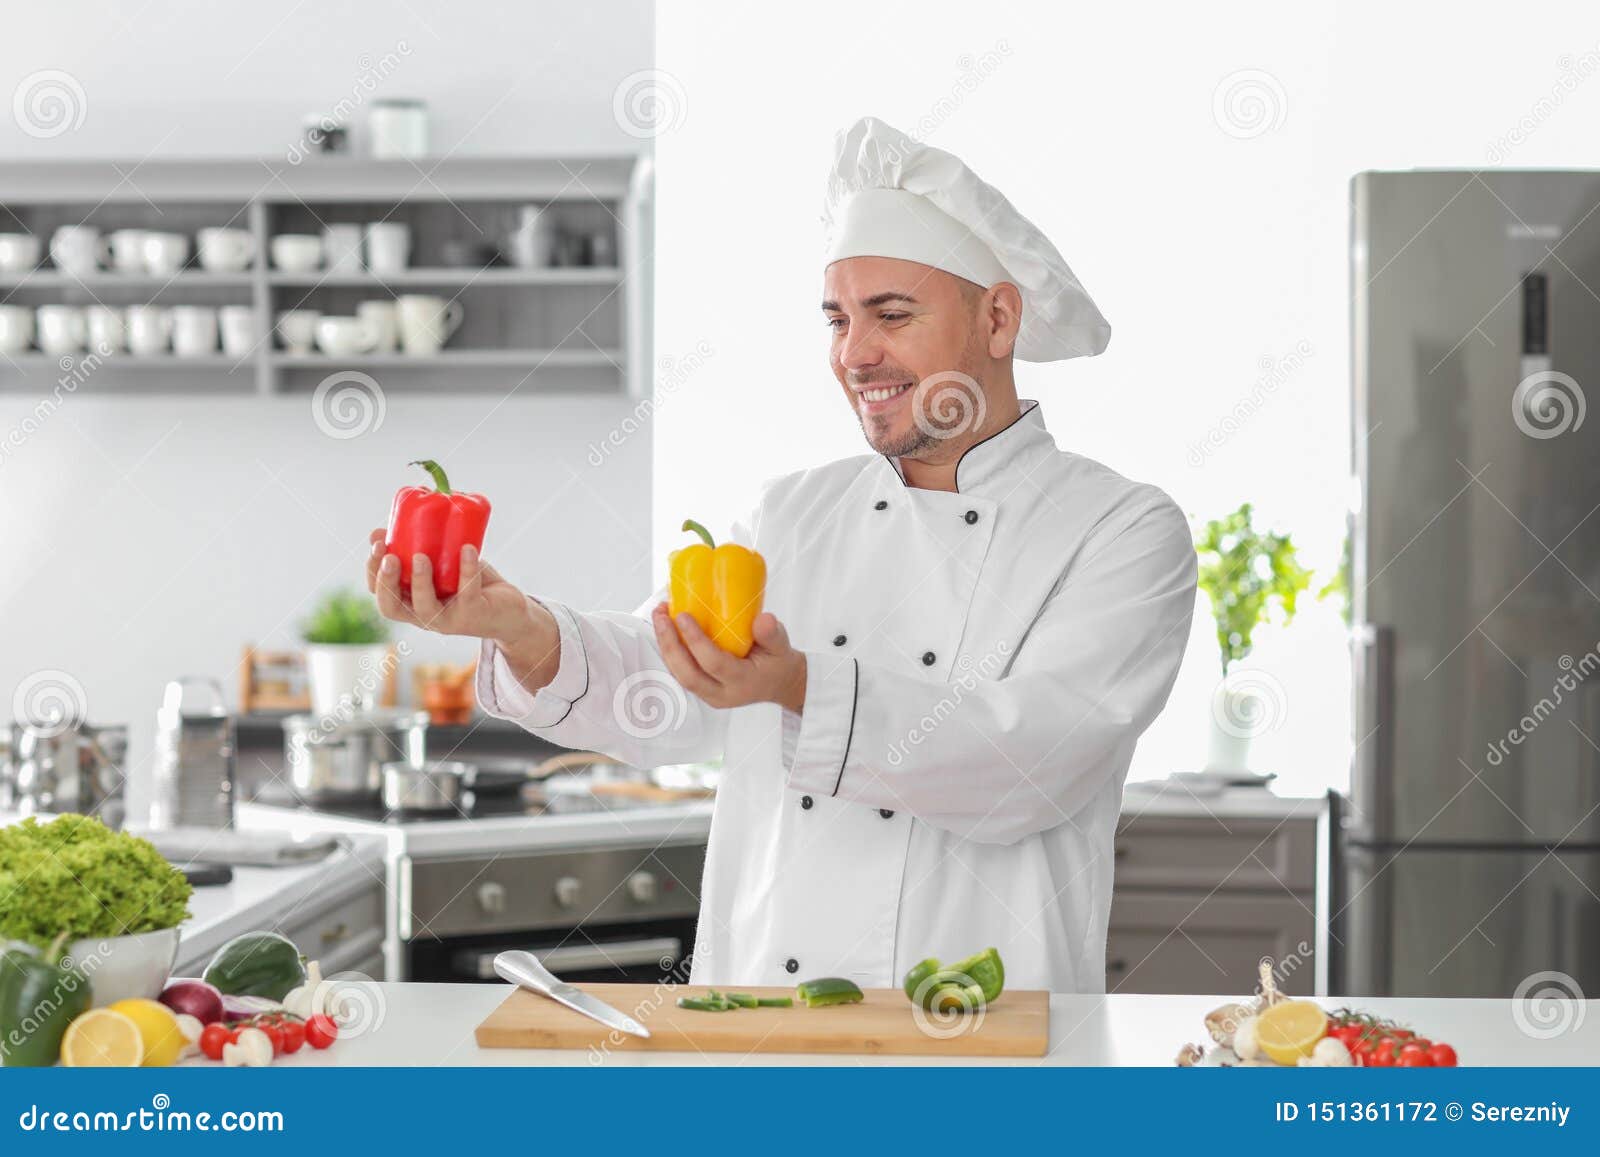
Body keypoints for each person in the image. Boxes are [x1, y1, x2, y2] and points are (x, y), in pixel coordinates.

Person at [368, 116, 1197, 993]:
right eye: (838, 318)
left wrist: (797, 685)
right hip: (767, 1025)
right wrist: (526, 630)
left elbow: (1028, 767)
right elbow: (669, 692)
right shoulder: (794, 511)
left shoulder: (1120, 529)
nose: (854, 353)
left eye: (892, 314)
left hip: (985, 1043)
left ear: (998, 318)